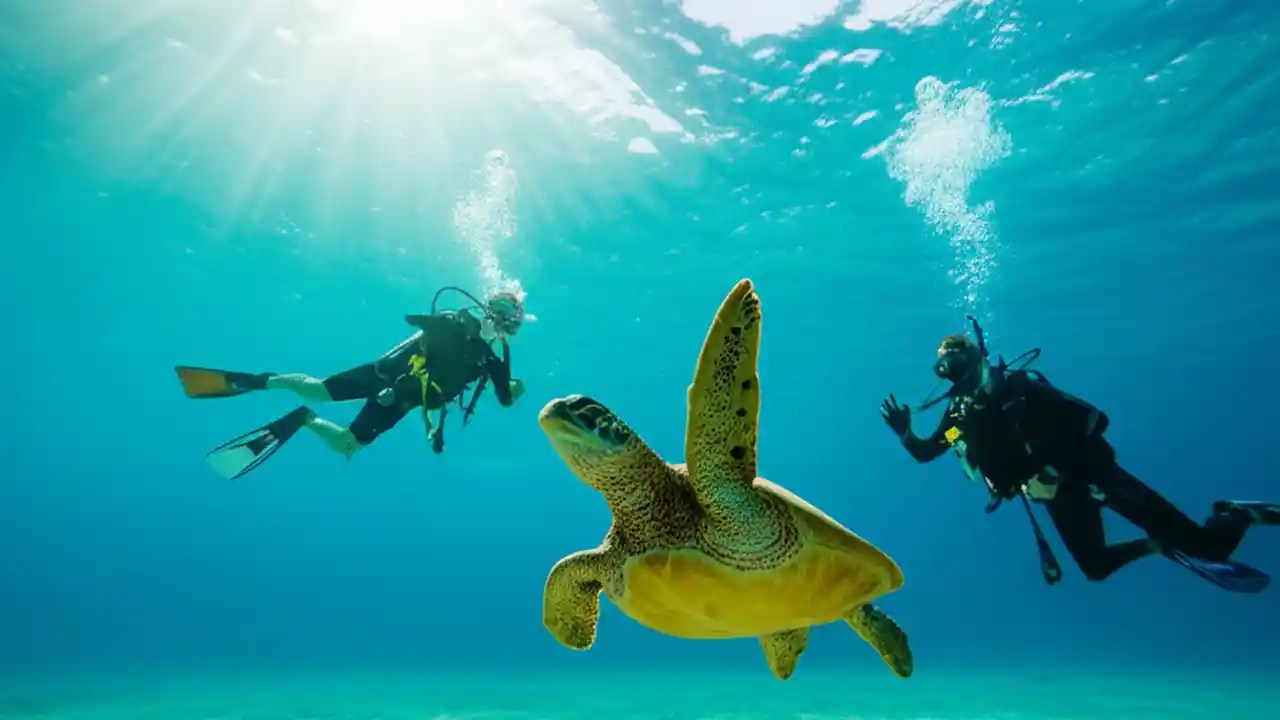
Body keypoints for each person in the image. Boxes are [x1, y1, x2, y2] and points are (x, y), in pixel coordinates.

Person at [879, 317, 1279, 592]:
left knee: (1212, 549)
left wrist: (1054, 464)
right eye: (946, 364)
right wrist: (905, 434)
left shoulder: (1021, 392)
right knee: (1095, 567)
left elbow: (1091, 418)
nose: (954, 373)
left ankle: (1234, 514)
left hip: (1093, 477)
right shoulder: (959, 417)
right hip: (1055, 496)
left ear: (979, 357)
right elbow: (930, 452)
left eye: (959, 358)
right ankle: (1158, 545)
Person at [175, 287, 528, 479]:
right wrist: (447, 324)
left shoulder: (494, 362)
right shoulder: (456, 321)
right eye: (498, 304)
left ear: (513, 325)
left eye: (511, 313)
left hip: (397, 403)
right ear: (486, 301)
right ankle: (257, 382)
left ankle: (304, 419)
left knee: (347, 446)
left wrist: (513, 387)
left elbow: (504, 398)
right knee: (317, 389)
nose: (501, 314)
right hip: (382, 374)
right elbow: (416, 321)